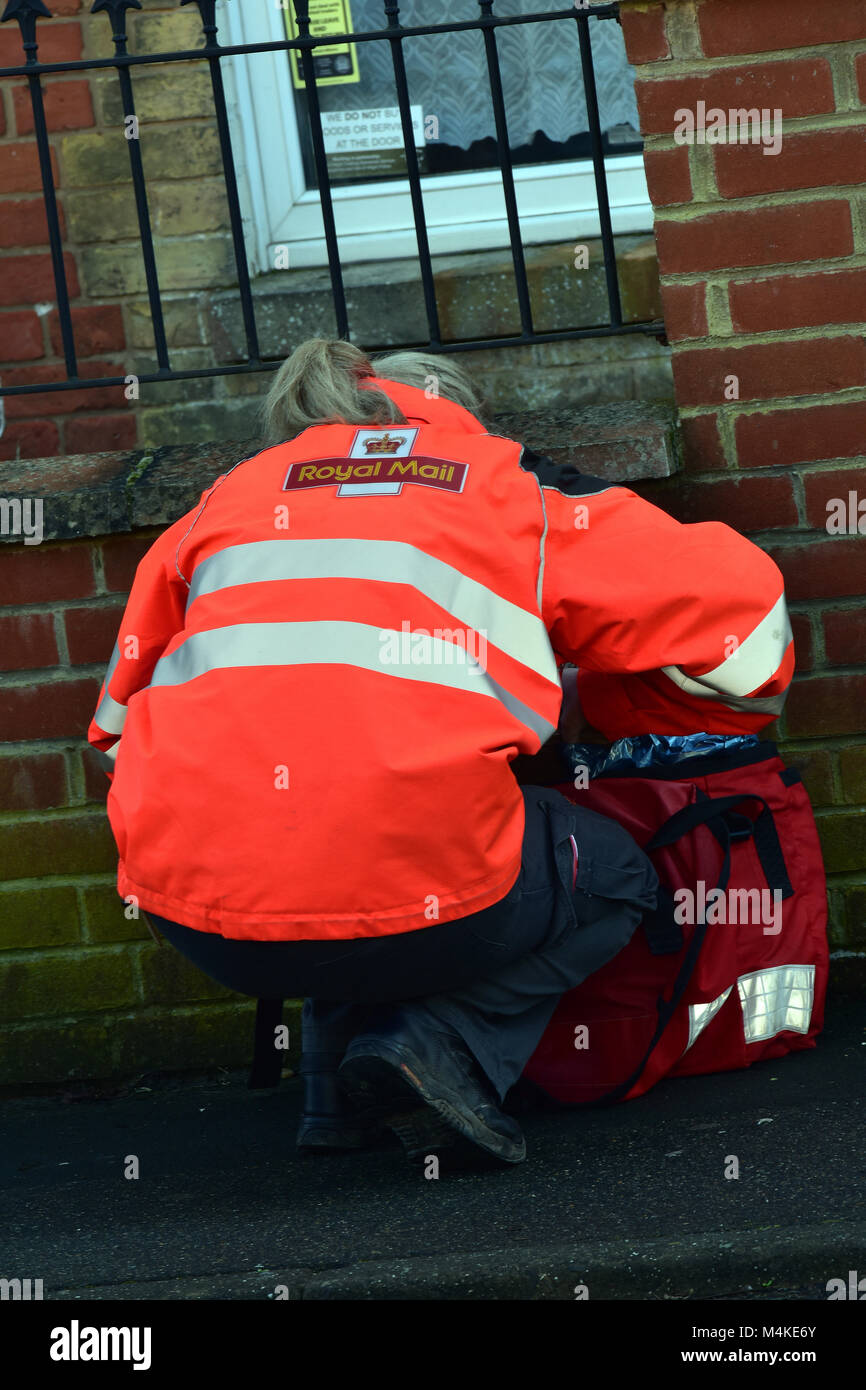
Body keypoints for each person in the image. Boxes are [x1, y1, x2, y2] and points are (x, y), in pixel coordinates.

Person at [88, 338, 793, 1169]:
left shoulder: (226, 501)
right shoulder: (504, 487)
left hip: (195, 914)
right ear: (453, 410)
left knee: (324, 822)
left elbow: (115, 732)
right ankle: (433, 1042)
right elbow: (746, 634)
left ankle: (331, 1095)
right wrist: (618, 713)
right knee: (609, 875)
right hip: (425, 898)